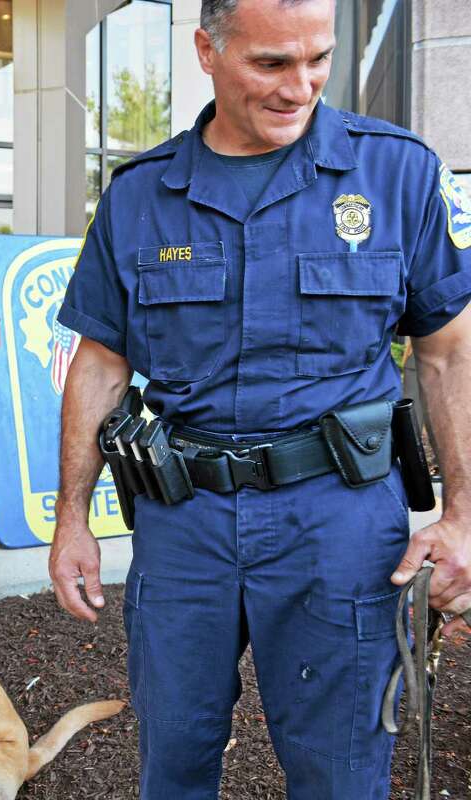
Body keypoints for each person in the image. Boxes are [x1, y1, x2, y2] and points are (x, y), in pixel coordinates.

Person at [49, 1, 471, 797]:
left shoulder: (399, 172)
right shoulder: (141, 194)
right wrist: (73, 517)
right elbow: (100, 364)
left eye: (320, 59)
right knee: (173, 759)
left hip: (338, 522)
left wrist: (465, 515)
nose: (300, 86)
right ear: (207, 50)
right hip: (184, 524)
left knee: (341, 772)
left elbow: (449, 352)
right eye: (272, 63)